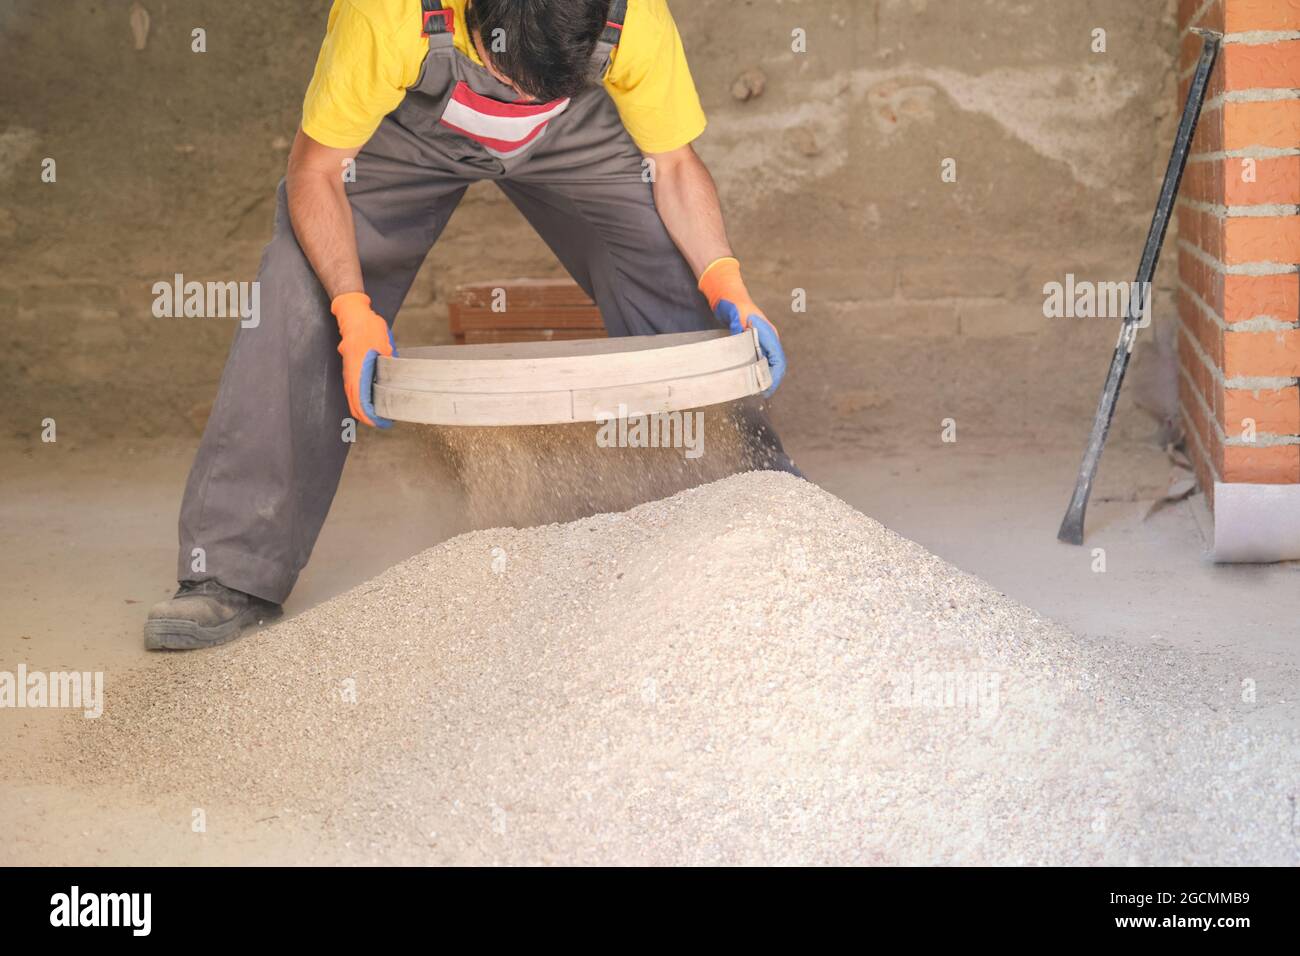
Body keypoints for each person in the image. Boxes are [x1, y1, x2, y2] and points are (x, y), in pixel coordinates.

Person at [144, 0, 792, 650]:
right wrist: (350, 308)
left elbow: (676, 166)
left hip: (571, 127)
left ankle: (747, 507)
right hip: (408, 132)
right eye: (503, 72)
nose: (513, 95)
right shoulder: (385, 15)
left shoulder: (635, 18)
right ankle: (230, 572)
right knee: (300, 288)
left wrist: (724, 279)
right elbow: (315, 171)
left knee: (670, 257)